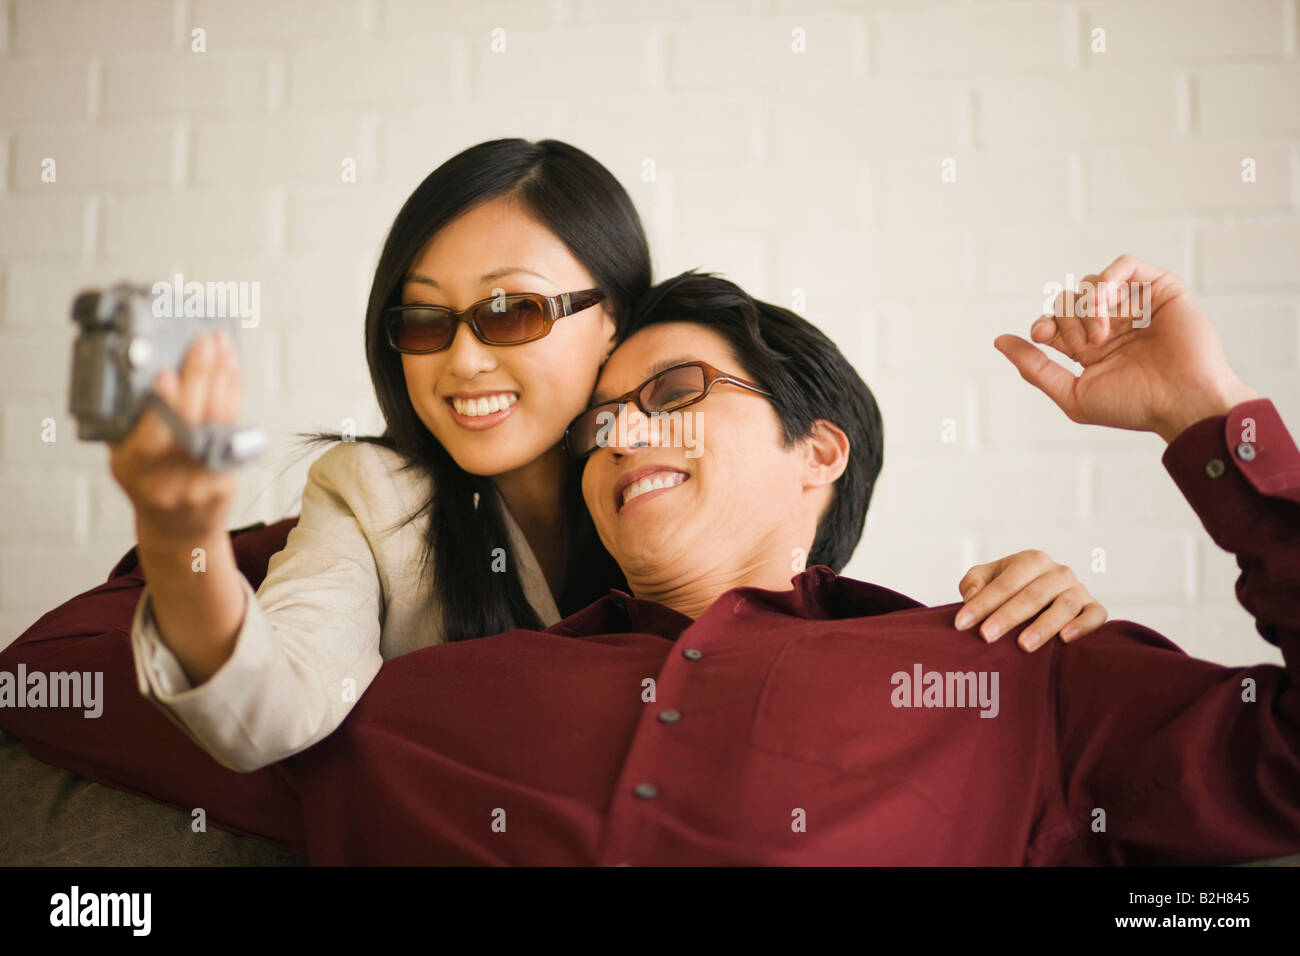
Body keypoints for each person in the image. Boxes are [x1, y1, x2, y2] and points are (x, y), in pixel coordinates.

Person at [109, 140, 1107, 773]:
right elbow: (262, 709)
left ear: (617, 320)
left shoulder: (693, 475)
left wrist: (1020, 607)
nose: (462, 359)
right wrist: (178, 531)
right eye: (422, 320)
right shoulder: (376, 495)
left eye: (512, 309)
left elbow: (799, 650)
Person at [284, 259, 1300, 866]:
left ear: (818, 449)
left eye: (673, 390)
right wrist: (334, 536)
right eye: (599, 423)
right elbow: (153, 658)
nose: (622, 434)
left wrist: (1204, 417)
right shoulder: (427, 700)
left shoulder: (1012, 664)